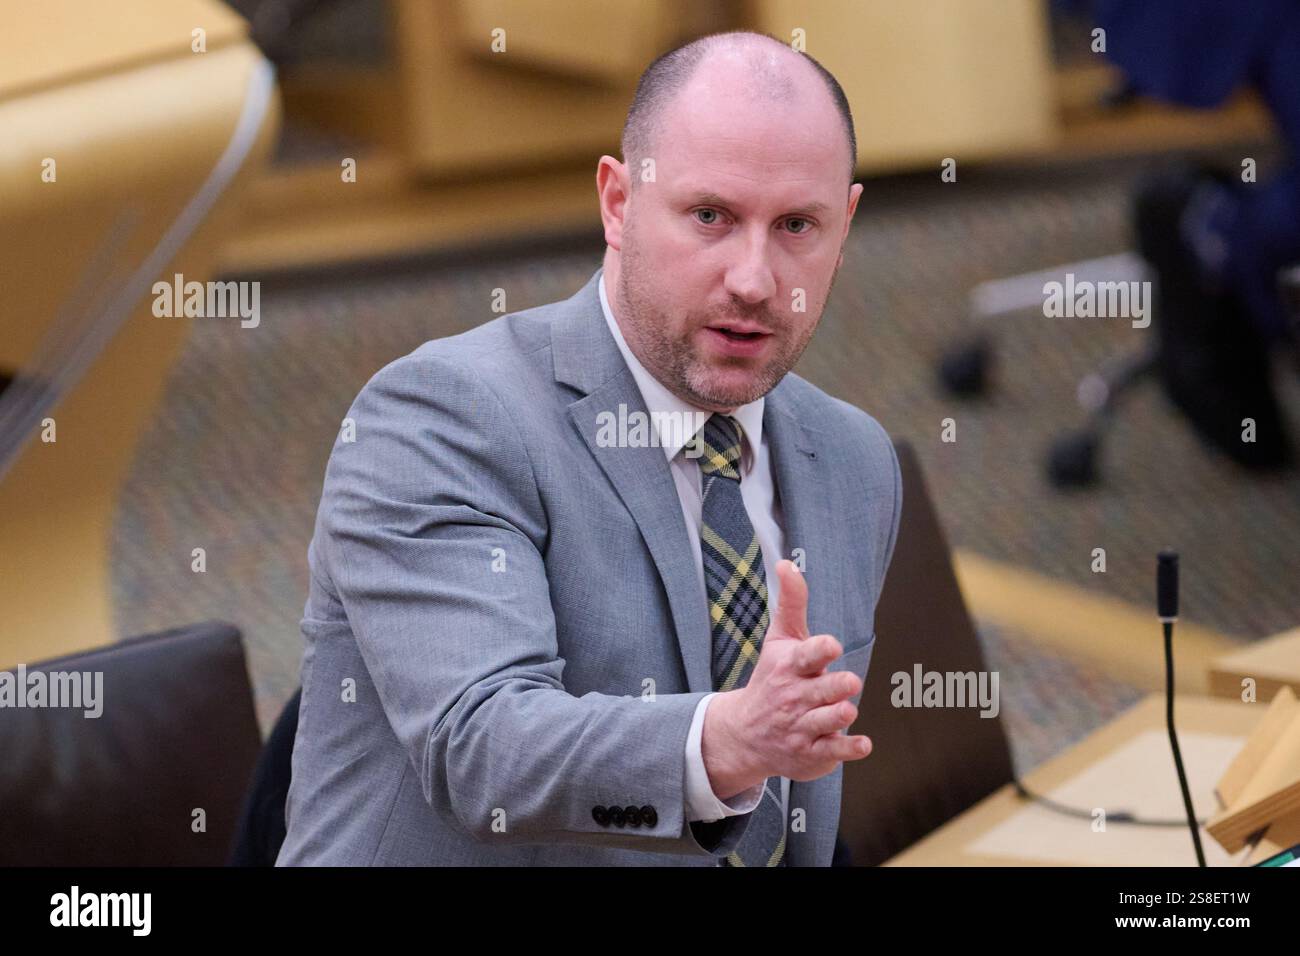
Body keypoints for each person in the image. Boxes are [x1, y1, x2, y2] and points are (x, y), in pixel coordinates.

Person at [277, 30, 902, 867]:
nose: (754, 279)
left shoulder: (852, 460)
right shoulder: (441, 419)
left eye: (797, 225)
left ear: (846, 223)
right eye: (710, 216)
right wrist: (730, 740)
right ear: (617, 203)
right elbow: (484, 751)